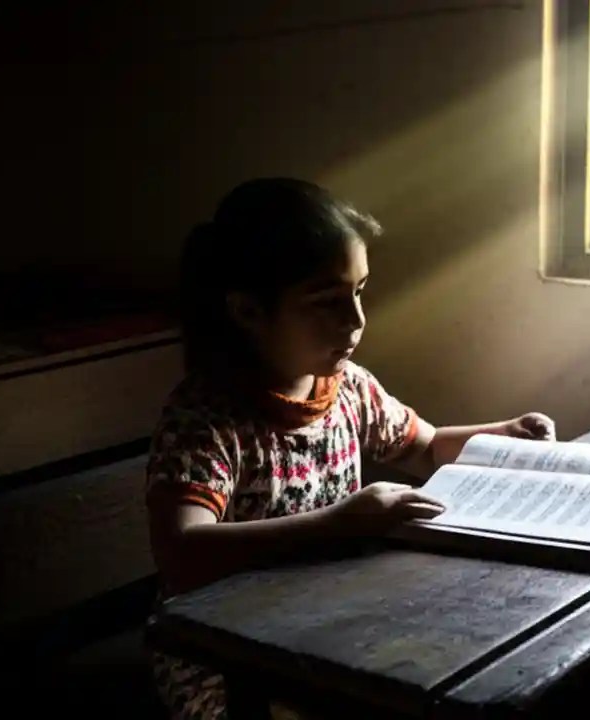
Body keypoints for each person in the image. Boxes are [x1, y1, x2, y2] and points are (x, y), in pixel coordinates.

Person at [144, 177, 556, 719]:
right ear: (247, 311)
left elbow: (425, 447)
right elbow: (181, 551)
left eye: (359, 292)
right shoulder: (206, 420)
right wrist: (342, 523)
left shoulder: (347, 387)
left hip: (327, 626)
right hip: (225, 659)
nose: (356, 320)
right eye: (327, 302)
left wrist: (503, 434)